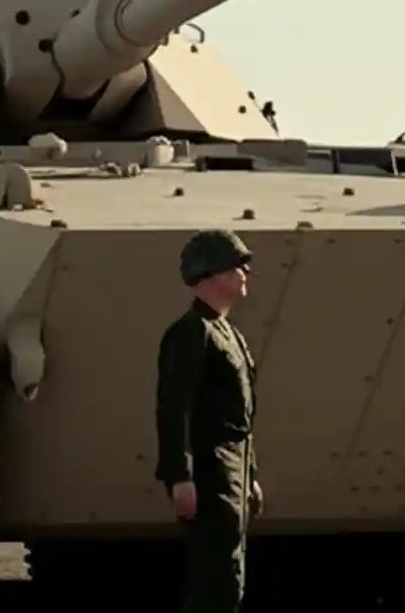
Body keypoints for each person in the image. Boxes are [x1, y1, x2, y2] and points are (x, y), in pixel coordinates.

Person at [155, 229, 263, 612]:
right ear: (213, 273)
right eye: (237, 265)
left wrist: (249, 473)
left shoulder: (228, 332)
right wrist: (179, 477)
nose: (245, 271)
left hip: (231, 468)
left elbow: (242, 417)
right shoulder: (191, 333)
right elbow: (175, 408)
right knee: (214, 580)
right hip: (209, 469)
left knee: (231, 575)